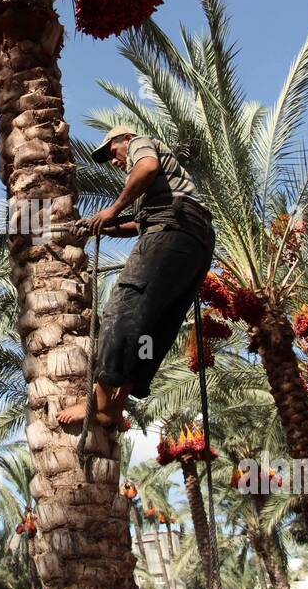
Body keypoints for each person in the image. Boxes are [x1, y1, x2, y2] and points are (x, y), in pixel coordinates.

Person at [56, 125, 216, 429]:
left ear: (125, 139)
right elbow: (140, 226)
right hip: (194, 240)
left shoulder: (141, 144)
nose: (114, 161)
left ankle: (99, 399)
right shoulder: (155, 195)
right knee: (152, 327)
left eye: (111, 152)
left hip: (175, 228)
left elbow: (147, 166)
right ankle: (115, 407)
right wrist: (101, 225)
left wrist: (113, 208)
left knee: (122, 307)